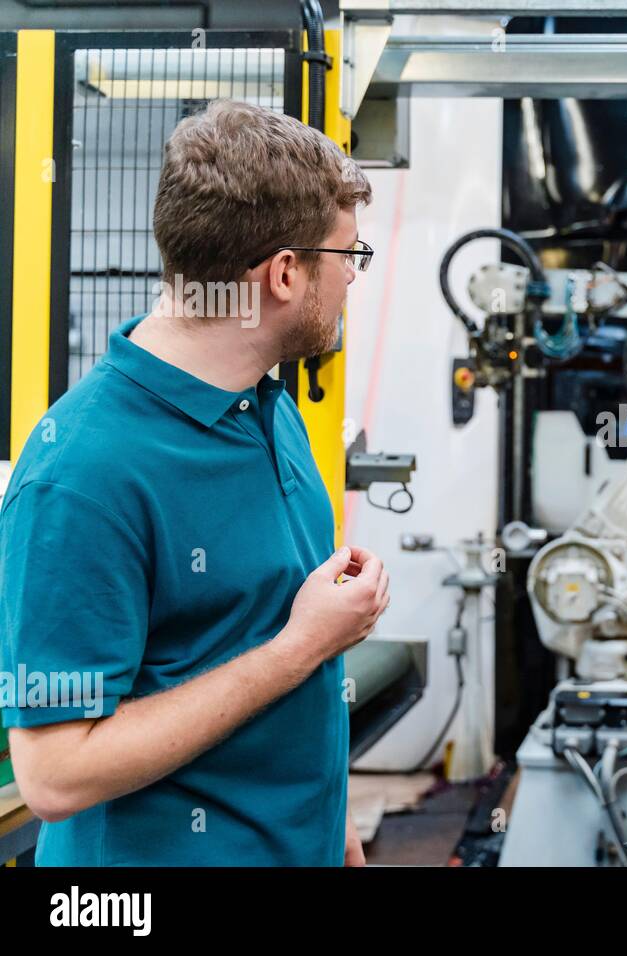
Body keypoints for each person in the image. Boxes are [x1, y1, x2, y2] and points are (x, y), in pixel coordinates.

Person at [0, 100, 387, 865]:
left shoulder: (268, 408)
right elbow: (54, 774)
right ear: (284, 273)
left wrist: (332, 829)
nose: (352, 278)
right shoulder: (79, 475)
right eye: (350, 255)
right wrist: (298, 647)